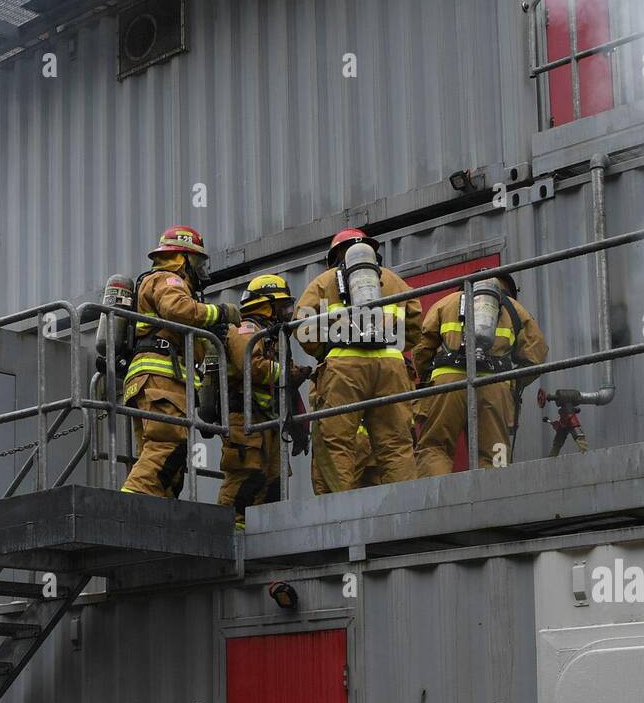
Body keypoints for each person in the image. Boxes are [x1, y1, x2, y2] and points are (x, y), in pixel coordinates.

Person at [295, 229, 421, 493]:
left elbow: (303, 330)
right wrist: (391, 346)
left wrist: (326, 350)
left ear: (333, 256)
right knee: (396, 445)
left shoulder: (323, 281)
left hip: (344, 366)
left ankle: (339, 512)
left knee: (336, 443)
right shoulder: (394, 280)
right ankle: (406, 510)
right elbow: (414, 327)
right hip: (391, 367)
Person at [120, 225, 240, 497]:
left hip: (152, 381)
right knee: (168, 445)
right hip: (160, 379)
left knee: (169, 461)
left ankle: (154, 514)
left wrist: (211, 337)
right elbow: (177, 309)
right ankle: (127, 507)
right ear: (181, 258)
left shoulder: (160, 284)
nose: (200, 269)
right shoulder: (168, 279)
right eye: (197, 261)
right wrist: (218, 312)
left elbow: (187, 342)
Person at [413, 272, 547, 475]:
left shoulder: (446, 303)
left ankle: (439, 503)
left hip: (448, 382)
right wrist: (513, 383)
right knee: (495, 452)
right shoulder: (515, 309)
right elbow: (536, 354)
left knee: (435, 447)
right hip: (494, 384)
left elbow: (422, 348)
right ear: (507, 289)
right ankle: (495, 501)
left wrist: (428, 377)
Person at [217, 274, 309, 528]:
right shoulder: (247, 330)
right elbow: (252, 367)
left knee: (273, 482)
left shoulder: (271, 337)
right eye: (282, 307)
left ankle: (262, 532)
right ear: (265, 305)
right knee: (246, 476)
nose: (286, 313)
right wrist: (288, 374)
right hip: (245, 421)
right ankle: (228, 529)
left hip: (267, 422)